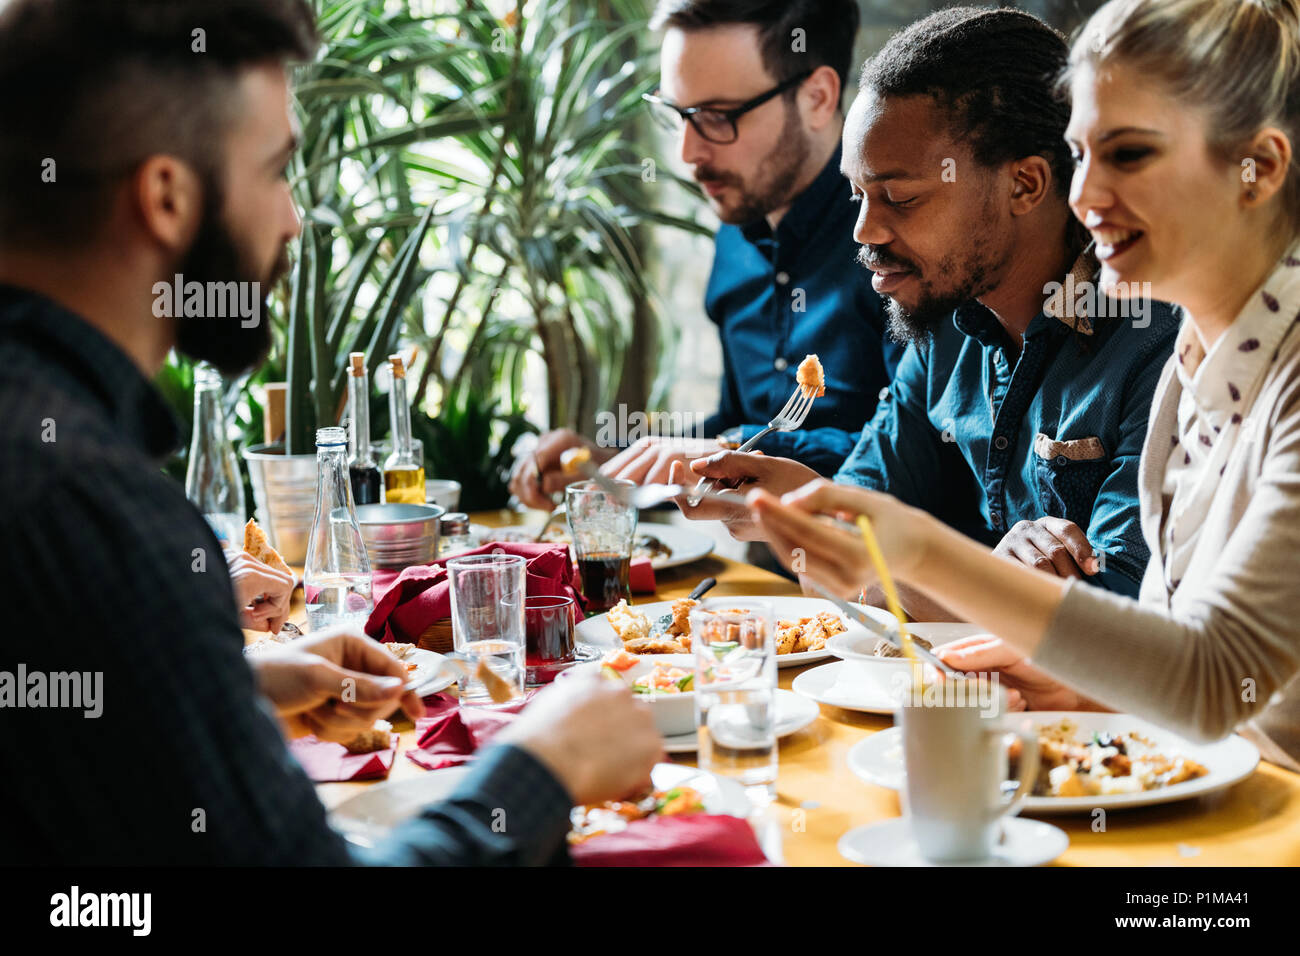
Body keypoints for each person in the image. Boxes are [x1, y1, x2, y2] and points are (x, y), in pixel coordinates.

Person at [0, 0, 660, 865]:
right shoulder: (92, 508)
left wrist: (222, 686)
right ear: (165, 196)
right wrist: (542, 767)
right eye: (275, 172)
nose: (293, 220)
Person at [748, 0, 1300, 771]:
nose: (1085, 195)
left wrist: (914, 554)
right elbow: (1174, 659)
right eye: (1082, 154)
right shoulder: (1191, 359)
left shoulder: (1238, 366)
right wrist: (1081, 687)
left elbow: (1210, 678)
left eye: (1130, 154)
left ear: (1261, 170)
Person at [673, 6, 1180, 616]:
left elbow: (1121, 630)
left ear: (1025, 184)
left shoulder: (1159, 342)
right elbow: (830, 572)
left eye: (901, 198)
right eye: (856, 194)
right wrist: (808, 507)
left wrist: (876, 547)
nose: (863, 232)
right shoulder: (945, 327)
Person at [509, 0, 898, 508]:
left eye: (716, 117)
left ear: (818, 98)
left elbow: (913, 452)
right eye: (677, 115)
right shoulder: (736, 235)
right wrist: (605, 460)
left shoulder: (897, 238)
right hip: (768, 580)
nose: (687, 154)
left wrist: (733, 449)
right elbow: (735, 422)